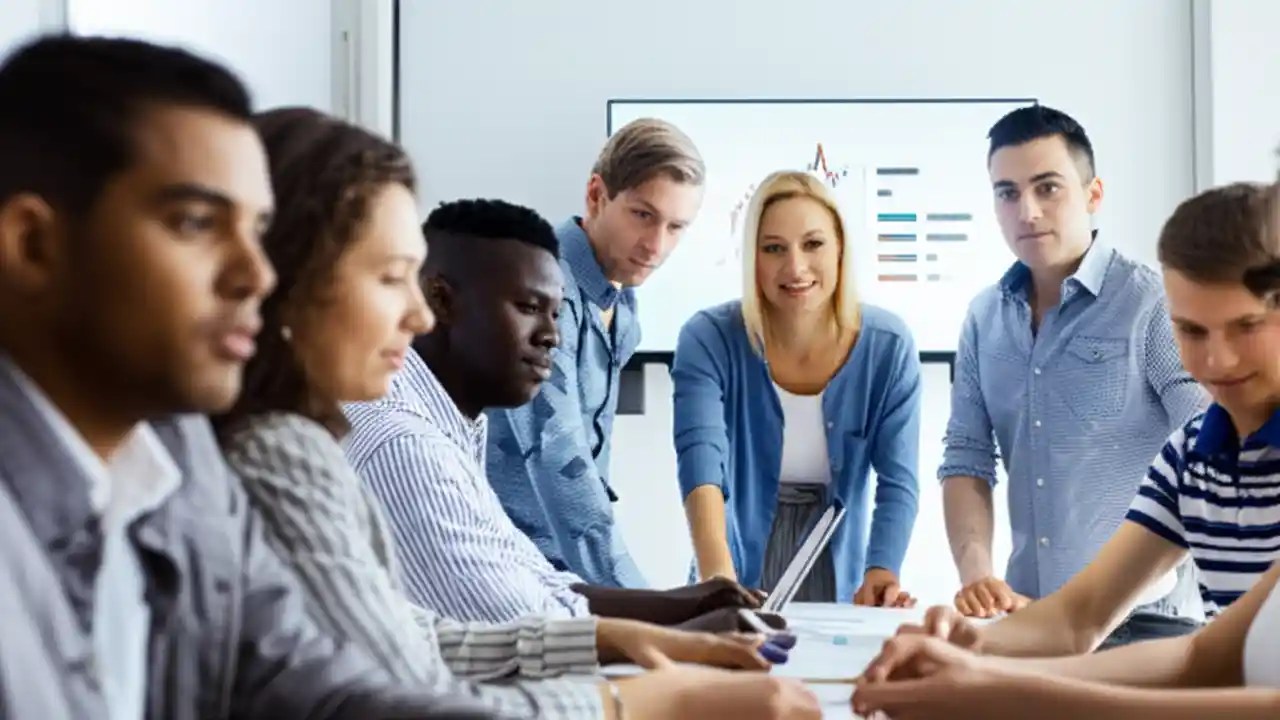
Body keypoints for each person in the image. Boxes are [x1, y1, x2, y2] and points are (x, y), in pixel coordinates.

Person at [213, 108, 816, 720]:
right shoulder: (360, 445)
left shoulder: (387, 430)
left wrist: (630, 628)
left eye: (676, 227)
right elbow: (395, 685)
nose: (417, 316)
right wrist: (642, 694)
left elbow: (410, 637)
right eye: (391, 278)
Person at [0, 35, 493, 718]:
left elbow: (323, 696)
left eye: (257, 229)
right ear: (33, 245)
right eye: (197, 223)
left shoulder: (182, 460)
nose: (257, 275)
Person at [851, 181, 1280, 720]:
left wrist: (996, 685)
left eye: (1246, 328)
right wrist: (972, 648)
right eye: (1191, 331)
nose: (1217, 360)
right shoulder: (1192, 456)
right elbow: (1087, 620)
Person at [345, 199, 778, 633]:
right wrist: (682, 635)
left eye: (555, 313)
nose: (552, 335)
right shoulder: (405, 444)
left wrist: (683, 603)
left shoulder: (450, 426)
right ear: (441, 300)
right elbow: (516, 620)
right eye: (529, 308)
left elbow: (540, 582)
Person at [938, 104, 1207, 643]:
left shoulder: (1151, 304)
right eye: (1007, 193)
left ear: (1092, 194)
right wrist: (977, 573)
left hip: (1144, 623)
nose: (1028, 211)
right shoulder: (984, 318)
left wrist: (1098, 608)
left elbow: (1209, 454)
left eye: (1048, 188)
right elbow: (966, 454)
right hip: (1026, 617)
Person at [672, 170, 922, 606]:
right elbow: (701, 463)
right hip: (734, 555)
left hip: (837, 561)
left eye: (813, 244)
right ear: (752, 258)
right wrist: (717, 576)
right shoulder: (707, 337)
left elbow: (898, 480)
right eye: (773, 248)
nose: (795, 267)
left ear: (840, 248)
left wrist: (881, 570)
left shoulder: (889, 346)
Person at [484, 118, 706, 588]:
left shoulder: (621, 301)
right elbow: (561, 462)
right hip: (499, 568)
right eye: (642, 215)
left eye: (676, 227)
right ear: (596, 195)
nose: (656, 246)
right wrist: (652, 607)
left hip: (559, 572)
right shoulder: (543, 292)